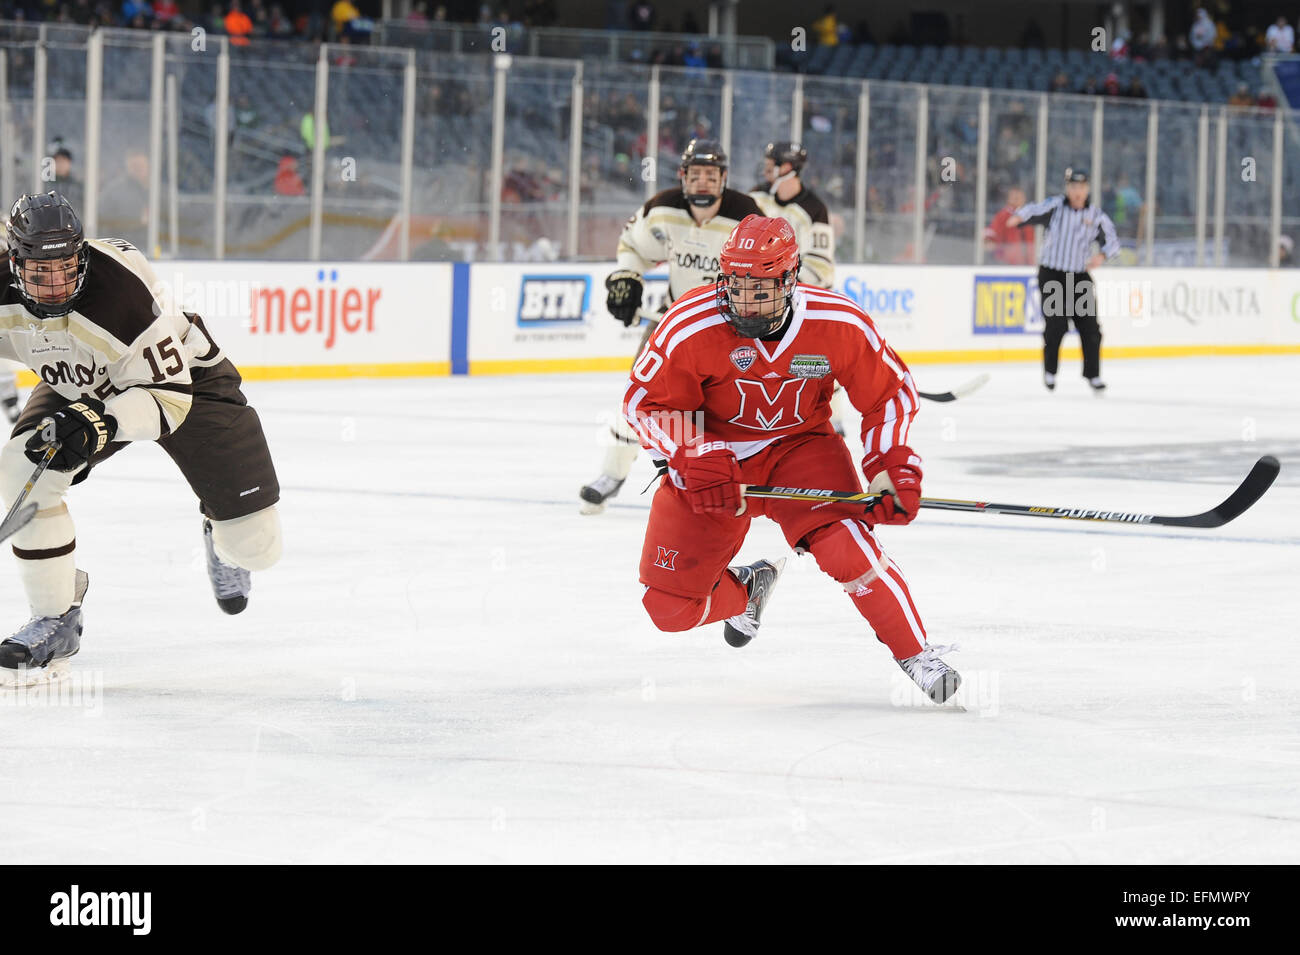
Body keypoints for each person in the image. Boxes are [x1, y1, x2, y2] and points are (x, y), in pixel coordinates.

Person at [625, 214, 958, 703]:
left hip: (801, 449)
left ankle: (915, 653)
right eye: (735, 284)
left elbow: (889, 393)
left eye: (759, 288)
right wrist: (692, 450)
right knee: (668, 609)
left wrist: (889, 463)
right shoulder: (690, 325)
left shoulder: (836, 323)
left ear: (789, 279)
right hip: (713, 463)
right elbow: (644, 404)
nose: (744, 299)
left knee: (846, 547)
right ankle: (748, 590)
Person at [0, 193, 282, 686]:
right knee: (24, 468)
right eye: (39, 271)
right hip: (74, 378)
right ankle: (55, 617)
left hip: (186, 385)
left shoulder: (123, 294)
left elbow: (169, 402)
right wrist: (84, 410)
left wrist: (97, 422)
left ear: (81, 256)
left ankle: (222, 532)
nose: (55, 284)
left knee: (258, 547)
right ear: (14, 261)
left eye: (66, 267)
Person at [578, 139, 762, 514]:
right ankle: (612, 474)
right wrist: (627, 277)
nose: (703, 184)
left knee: (737, 406)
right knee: (642, 399)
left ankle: (743, 477)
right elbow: (633, 245)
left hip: (733, 327)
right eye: (696, 175)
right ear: (683, 178)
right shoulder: (662, 208)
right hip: (674, 323)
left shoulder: (746, 214)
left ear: (724, 178)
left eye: (711, 176)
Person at [1005, 167, 1120, 393]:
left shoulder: (1096, 216)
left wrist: (1101, 256)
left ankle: (1093, 375)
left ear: (1087, 189)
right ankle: (1050, 372)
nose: (1077, 192)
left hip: (1078, 276)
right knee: (1056, 324)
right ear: (1068, 188)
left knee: (1090, 328)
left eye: (1081, 187)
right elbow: (1032, 210)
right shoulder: (1056, 206)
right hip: (1052, 274)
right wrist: (1018, 217)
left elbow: (1114, 242)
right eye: (1073, 187)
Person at [747, 141, 834, 289]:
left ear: (786, 168)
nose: (764, 171)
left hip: (800, 294)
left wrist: (783, 287)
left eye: (770, 165)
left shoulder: (814, 209)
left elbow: (820, 265)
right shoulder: (757, 196)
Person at [983, 184, 1034, 265]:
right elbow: (991, 235)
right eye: (1014, 197)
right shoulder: (1003, 215)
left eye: (1019, 196)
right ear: (1008, 199)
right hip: (1007, 262)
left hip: (1025, 261)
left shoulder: (1029, 215)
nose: (1017, 199)